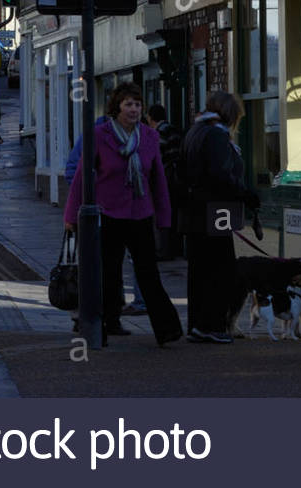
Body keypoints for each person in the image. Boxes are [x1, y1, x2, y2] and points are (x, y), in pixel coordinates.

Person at [63, 83, 182, 345]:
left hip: (140, 214)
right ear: (117, 107)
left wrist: (164, 217)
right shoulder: (99, 135)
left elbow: (158, 180)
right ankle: (104, 325)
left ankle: (167, 329)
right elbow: (82, 177)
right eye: (128, 104)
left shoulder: (150, 137)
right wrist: (71, 216)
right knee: (108, 273)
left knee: (148, 273)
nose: (134, 110)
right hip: (109, 214)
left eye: (138, 105)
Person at [177, 91, 259, 344]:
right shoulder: (216, 135)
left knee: (200, 270)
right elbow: (220, 174)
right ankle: (211, 325)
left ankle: (198, 324)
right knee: (220, 269)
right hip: (215, 211)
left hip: (195, 212)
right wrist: (245, 194)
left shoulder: (196, 131)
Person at [65, 115, 144, 317]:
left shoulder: (141, 136)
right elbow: (73, 170)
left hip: (132, 211)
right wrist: (92, 196)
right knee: (103, 261)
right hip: (101, 213)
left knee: (133, 258)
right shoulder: (96, 134)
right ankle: (100, 308)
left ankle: (131, 303)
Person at [147, 104, 184, 260]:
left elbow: (157, 160)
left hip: (165, 179)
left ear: (150, 117)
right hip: (177, 180)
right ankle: (176, 248)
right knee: (174, 214)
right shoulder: (174, 130)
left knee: (162, 215)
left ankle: (164, 251)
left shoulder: (158, 133)